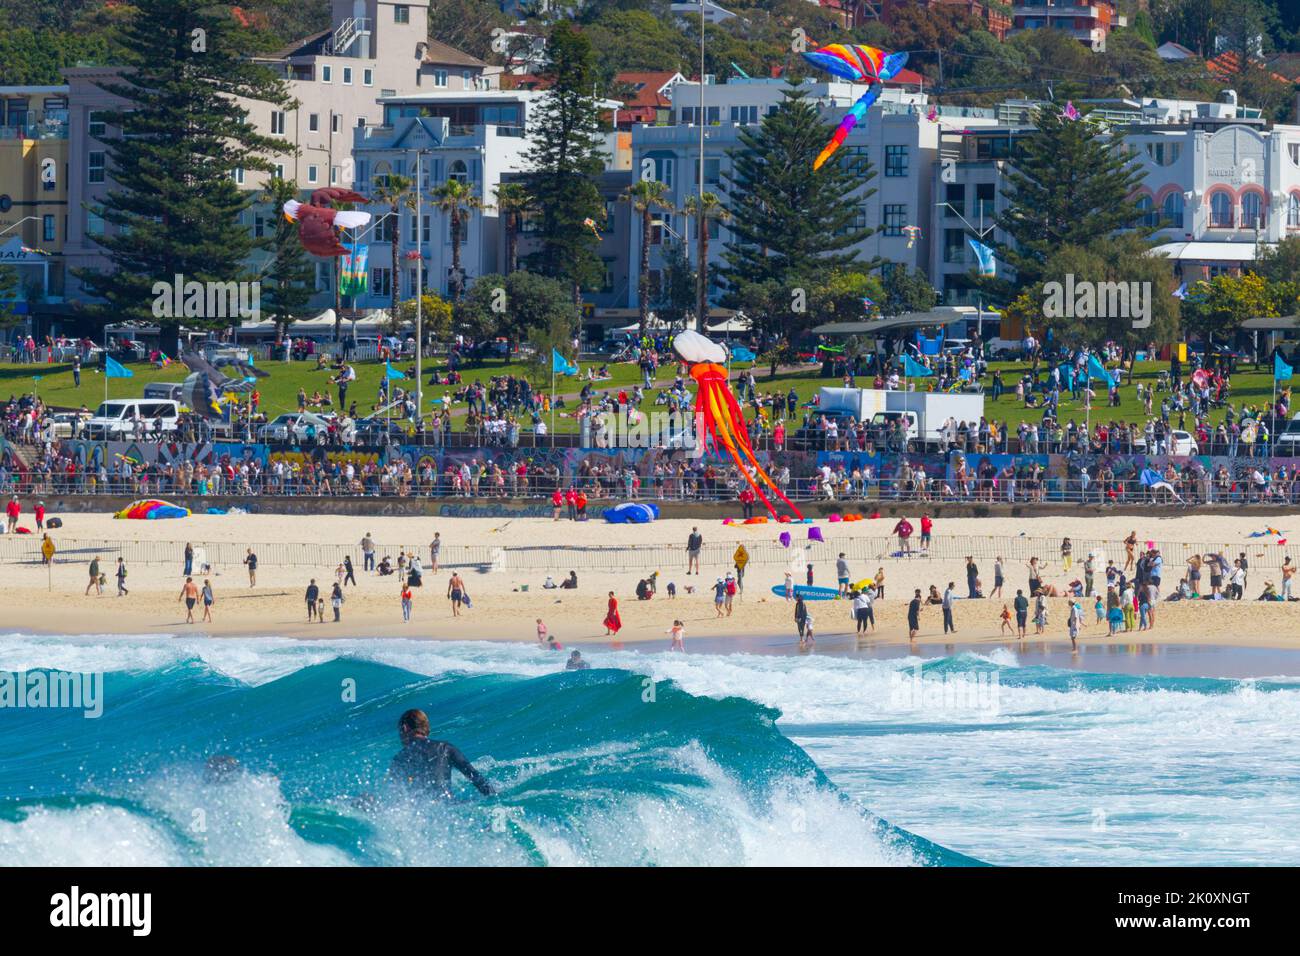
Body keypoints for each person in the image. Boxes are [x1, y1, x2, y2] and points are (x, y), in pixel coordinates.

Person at [388, 709, 494, 799]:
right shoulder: (445, 748)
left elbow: (396, 795)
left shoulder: (399, 758)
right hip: (450, 806)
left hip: (426, 813)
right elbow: (475, 777)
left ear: (405, 728)